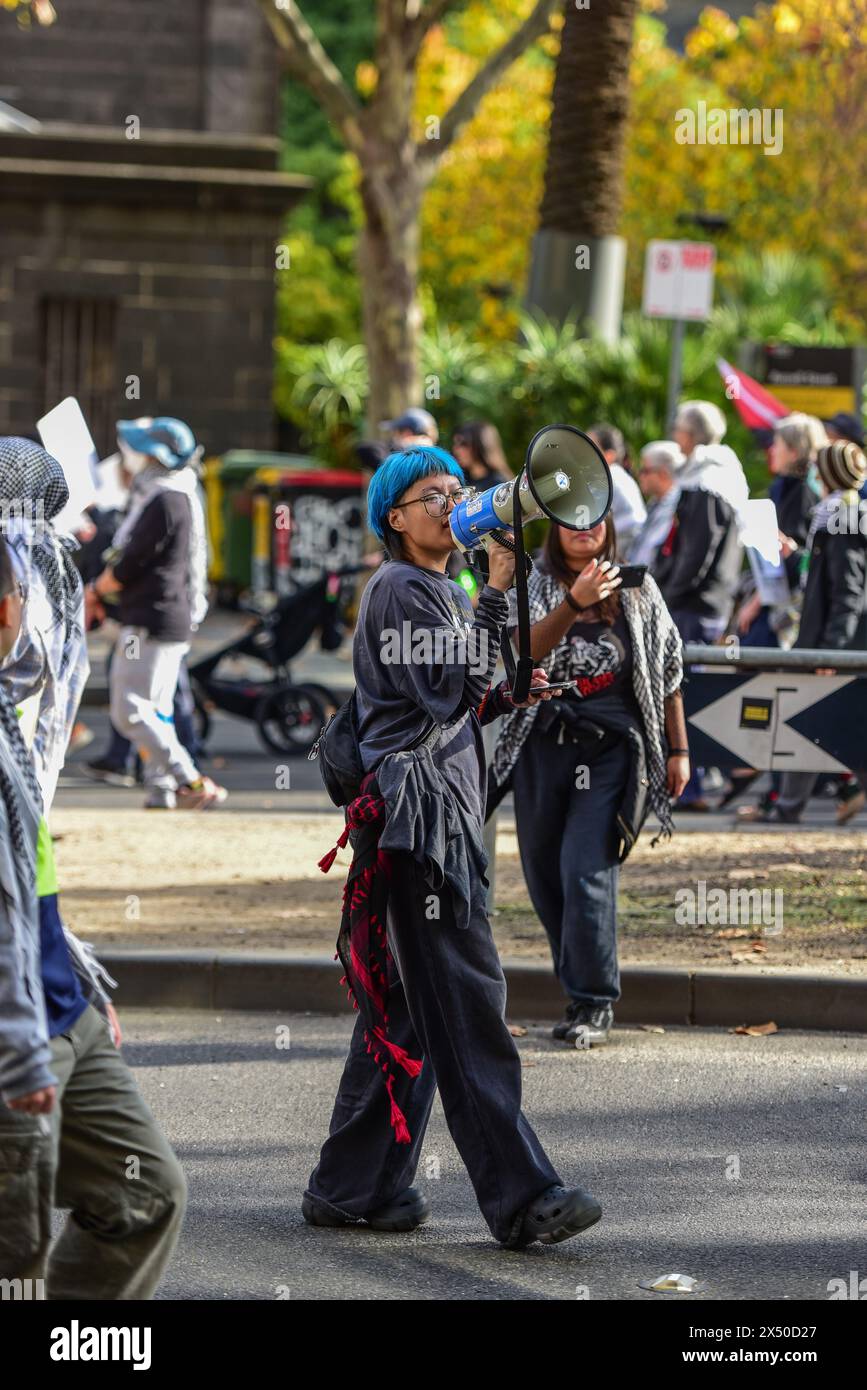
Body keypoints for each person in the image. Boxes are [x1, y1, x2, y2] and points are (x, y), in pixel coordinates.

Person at [304, 445, 603, 1250]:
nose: (451, 502)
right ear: (393, 519)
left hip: (423, 820)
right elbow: (444, 689)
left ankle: (349, 1187)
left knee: (408, 1014)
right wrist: (499, 589)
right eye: (430, 495)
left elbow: (457, 694)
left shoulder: (434, 585)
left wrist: (515, 680)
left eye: (456, 490)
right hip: (421, 828)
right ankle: (523, 1198)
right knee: (468, 1009)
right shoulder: (403, 585)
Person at [0, 455, 187, 1299]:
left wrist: (67, 968)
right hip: (18, 1039)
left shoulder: (14, 729)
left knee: (145, 1192)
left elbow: (24, 877)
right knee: (13, 1253)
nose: (41, 603)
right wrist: (17, 1051)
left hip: (56, 1005)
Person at [489, 515, 688, 1047]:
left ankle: (595, 1001)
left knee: (585, 871)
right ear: (554, 531)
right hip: (541, 749)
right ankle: (578, 993)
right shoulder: (532, 585)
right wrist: (573, 602)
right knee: (546, 878)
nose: (586, 528)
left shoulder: (638, 588)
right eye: (572, 521)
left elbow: (669, 673)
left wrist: (679, 749)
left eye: (596, 519)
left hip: (611, 754)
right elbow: (518, 653)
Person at [90, 418, 225, 811]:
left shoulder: (164, 498)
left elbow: (130, 562)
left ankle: (190, 780)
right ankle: (161, 788)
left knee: (129, 709)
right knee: (157, 708)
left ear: (154, 457)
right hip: (167, 617)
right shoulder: (175, 494)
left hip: (151, 619)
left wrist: (96, 590)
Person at [754, 441, 867, 825]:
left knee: (806, 721)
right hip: (836, 642)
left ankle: (788, 807)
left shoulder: (840, 518)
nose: (813, 477)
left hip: (832, 645)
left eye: (820, 469)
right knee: (824, 722)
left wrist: (832, 652)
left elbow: (847, 592)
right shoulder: (842, 516)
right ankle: (804, 801)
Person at [588, 423, 646, 558]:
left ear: (609, 455)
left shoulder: (608, 478)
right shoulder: (619, 475)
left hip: (622, 553)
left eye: (591, 447)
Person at [629, 440, 684, 567]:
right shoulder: (656, 503)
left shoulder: (678, 507)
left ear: (663, 474)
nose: (639, 475)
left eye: (644, 470)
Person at [452, 421, 512, 490]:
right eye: (455, 444)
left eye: (463, 444)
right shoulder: (458, 482)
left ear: (480, 446)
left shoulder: (499, 486)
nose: (456, 450)